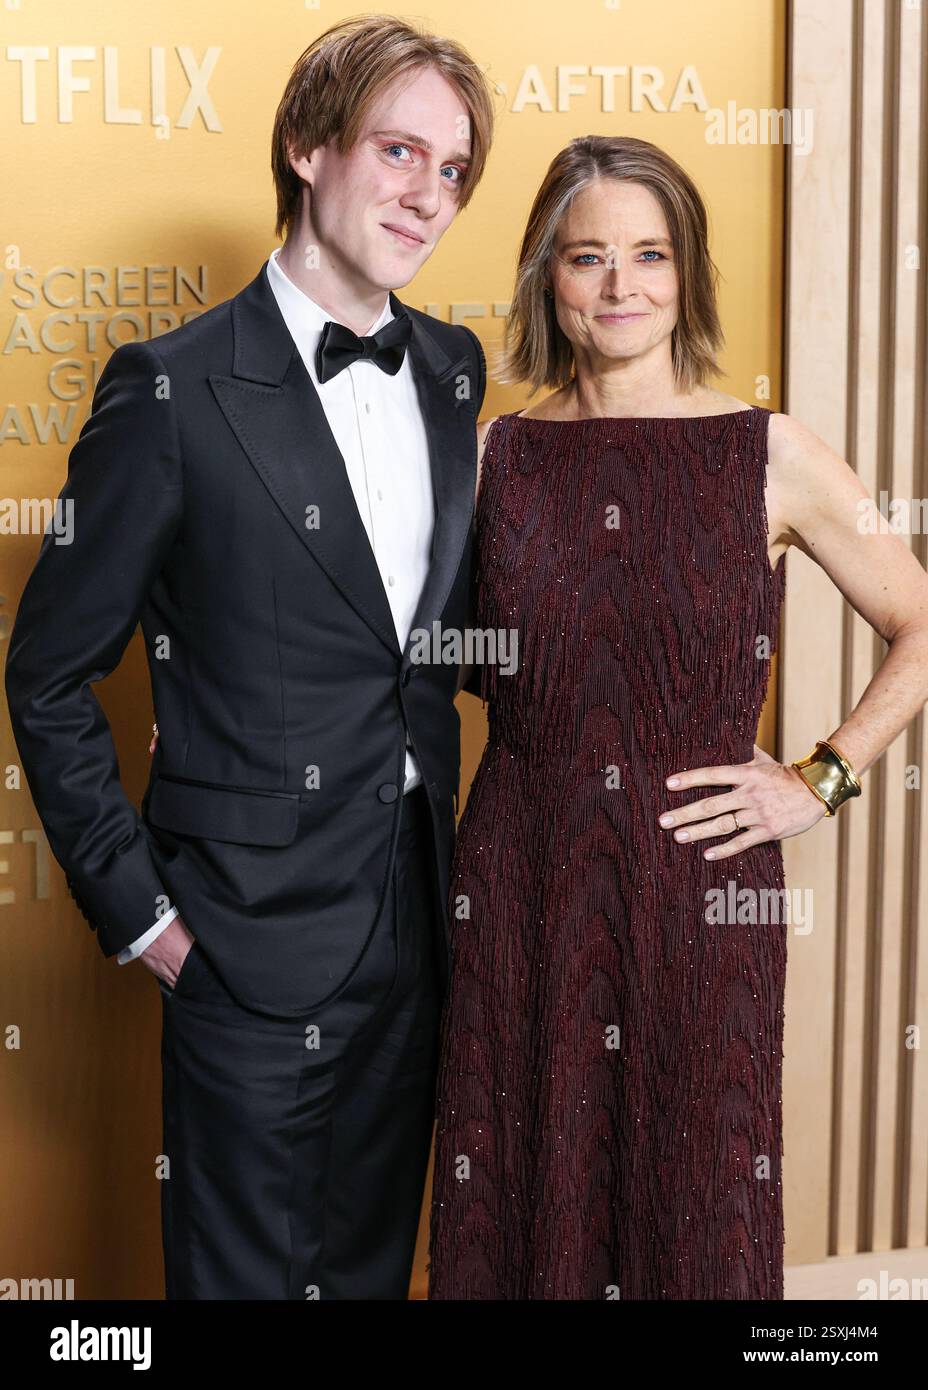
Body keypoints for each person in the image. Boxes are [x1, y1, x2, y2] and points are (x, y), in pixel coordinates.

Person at [5, 15, 493, 1300]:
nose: (427, 195)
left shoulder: (452, 370)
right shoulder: (165, 389)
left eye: (453, 170)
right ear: (304, 146)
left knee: (376, 1278)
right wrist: (149, 921)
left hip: (416, 925)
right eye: (399, 150)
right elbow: (47, 673)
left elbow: (429, 648)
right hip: (241, 944)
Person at [427, 134, 928, 1299]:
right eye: (588, 256)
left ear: (686, 271)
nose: (620, 285)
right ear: (546, 273)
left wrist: (822, 777)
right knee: (513, 1188)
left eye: (649, 255)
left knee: (693, 1197)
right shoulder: (494, 453)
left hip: (701, 876)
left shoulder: (768, 452)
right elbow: (416, 651)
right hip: (521, 871)